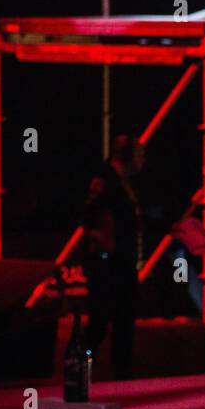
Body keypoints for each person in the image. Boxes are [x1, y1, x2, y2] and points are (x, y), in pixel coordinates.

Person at [80, 134, 146, 379]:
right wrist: (102, 245)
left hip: (122, 260)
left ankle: (121, 370)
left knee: (124, 318)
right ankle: (78, 364)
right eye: (139, 153)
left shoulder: (125, 182)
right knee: (100, 315)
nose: (143, 160)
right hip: (107, 261)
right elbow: (89, 215)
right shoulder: (105, 179)